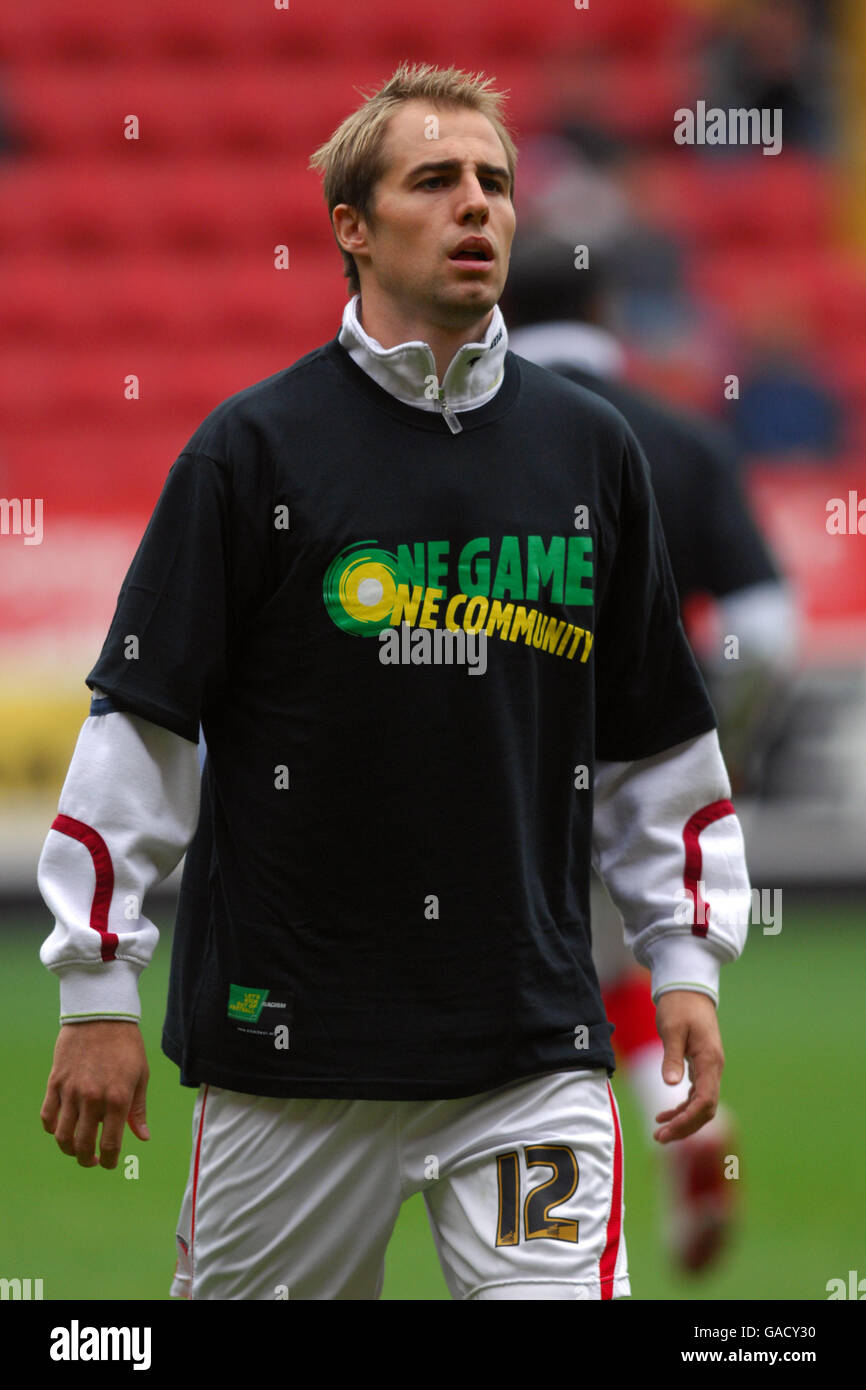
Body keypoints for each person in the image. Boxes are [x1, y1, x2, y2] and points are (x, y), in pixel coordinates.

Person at [36, 61, 750, 1302]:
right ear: (352, 230)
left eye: (494, 181)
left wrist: (681, 960)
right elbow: (138, 732)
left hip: (526, 1053)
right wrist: (97, 986)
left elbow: (654, 745)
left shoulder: (592, 449)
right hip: (288, 1058)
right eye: (435, 180)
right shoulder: (248, 451)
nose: (477, 204)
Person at [504, 232, 797, 1271]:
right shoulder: (680, 440)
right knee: (626, 960)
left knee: (556, 994)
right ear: (607, 314)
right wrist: (704, 732)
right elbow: (762, 628)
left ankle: (558, 1226)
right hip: (651, 767)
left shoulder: (481, 439)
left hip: (507, 765)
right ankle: (693, 1133)